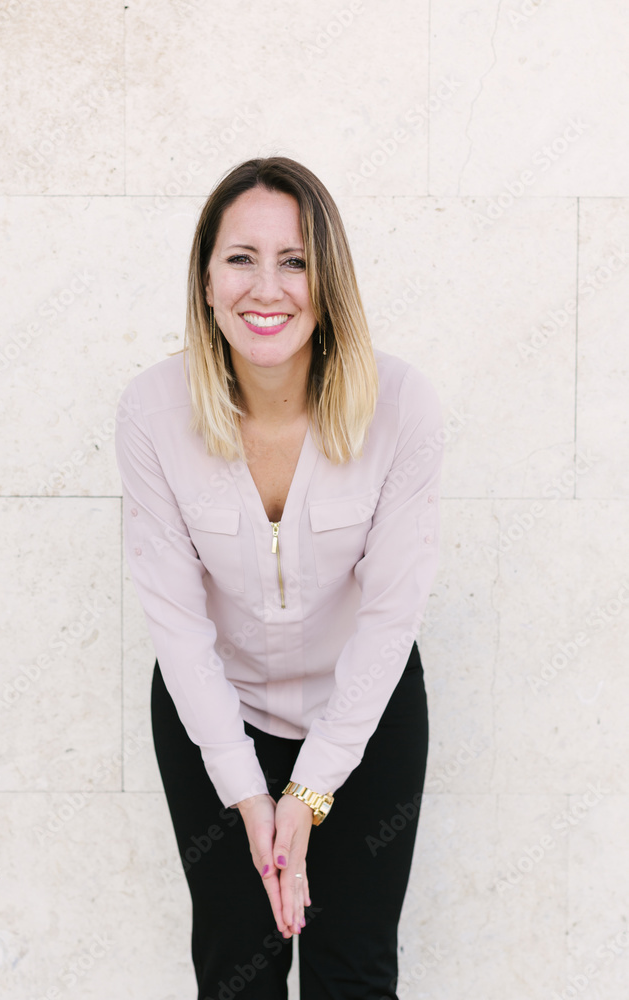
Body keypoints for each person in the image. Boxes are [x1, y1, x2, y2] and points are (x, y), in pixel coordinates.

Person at [115, 156, 443, 1000]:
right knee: (237, 973)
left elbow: (390, 615)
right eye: (240, 258)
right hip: (216, 713)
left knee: (352, 973)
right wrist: (249, 795)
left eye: (294, 261)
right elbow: (176, 622)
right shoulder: (151, 412)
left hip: (362, 709)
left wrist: (308, 793)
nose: (267, 288)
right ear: (206, 279)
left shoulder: (402, 405)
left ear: (327, 281)